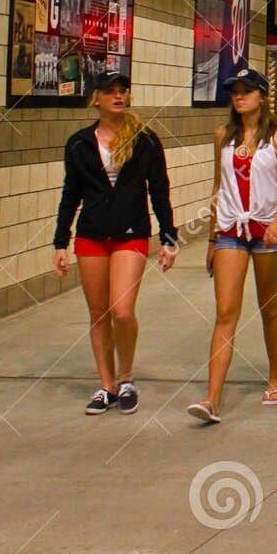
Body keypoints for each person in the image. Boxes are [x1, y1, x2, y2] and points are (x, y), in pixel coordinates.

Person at [53, 72, 178, 416]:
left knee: (121, 311)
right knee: (98, 313)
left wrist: (169, 237)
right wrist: (60, 241)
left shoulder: (145, 139)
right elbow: (70, 194)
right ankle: (106, 386)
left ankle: (126, 377)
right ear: (96, 99)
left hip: (130, 232)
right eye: (110, 91)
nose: (118, 96)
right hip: (91, 234)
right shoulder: (79, 143)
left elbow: (160, 190)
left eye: (123, 91)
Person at [188, 68, 277, 425]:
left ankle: (276, 378)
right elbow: (218, 187)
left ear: (262, 96)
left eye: (247, 91)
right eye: (234, 91)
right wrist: (210, 237)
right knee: (225, 312)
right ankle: (211, 399)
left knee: (269, 308)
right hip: (230, 232)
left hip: (267, 230)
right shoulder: (222, 135)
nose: (239, 97)